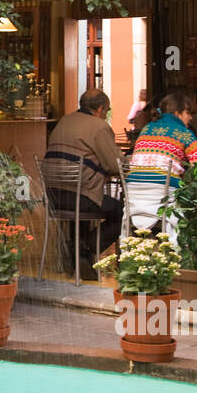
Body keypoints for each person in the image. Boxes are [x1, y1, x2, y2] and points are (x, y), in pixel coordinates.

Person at [44, 89, 124, 280]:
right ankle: (81, 247)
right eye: (107, 111)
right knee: (122, 212)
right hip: (80, 197)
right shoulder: (99, 126)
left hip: (52, 196)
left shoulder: (64, 120)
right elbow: (114, 165)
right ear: (101, 108)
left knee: (86, 206)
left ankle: (79, 254)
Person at [126, 89, 197, 239]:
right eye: (188, 113)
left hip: (133, 191)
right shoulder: (184, 133)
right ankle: (180, 250)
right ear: (177, 113)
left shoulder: (146, 129)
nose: (190, 118)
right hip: (161, 191)